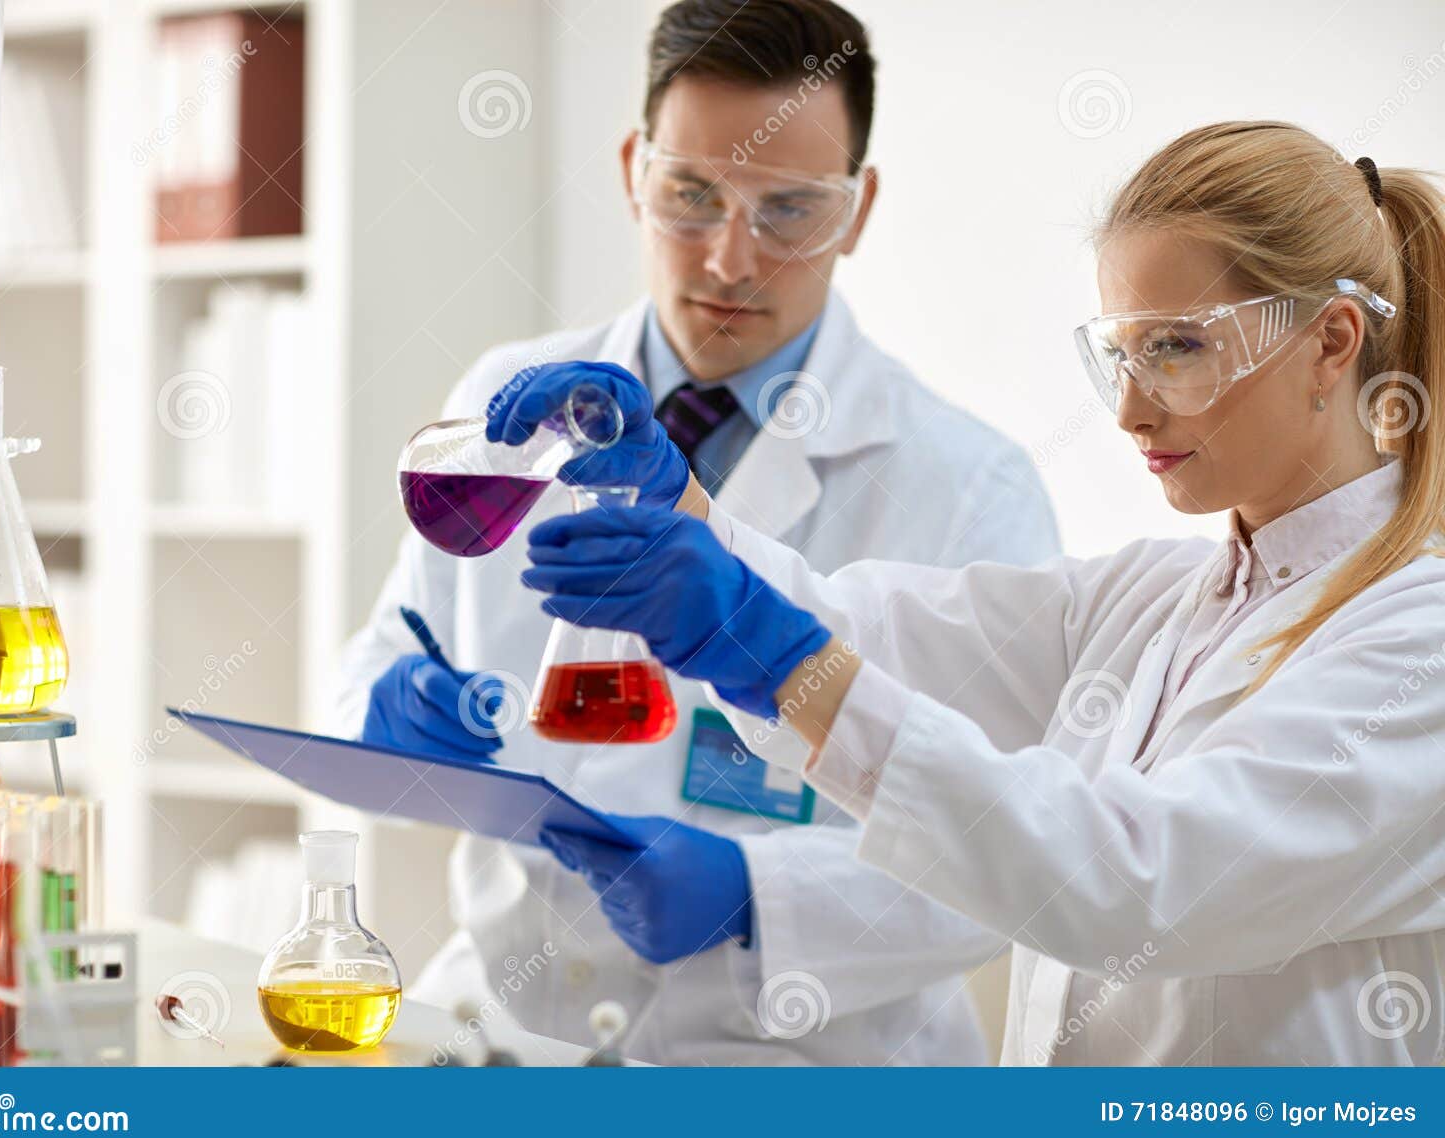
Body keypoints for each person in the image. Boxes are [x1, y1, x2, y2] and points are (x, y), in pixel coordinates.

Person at [511, 121, 1445, 1065]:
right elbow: (876, 633)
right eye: (1123, 353)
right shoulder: (1158, 598)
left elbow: (1139, 882)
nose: (1129, 409)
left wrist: (781, 655)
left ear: (1332, 341)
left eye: (1177, 348)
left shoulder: (1420, 643)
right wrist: (683, 505)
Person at [334, 0, 1060, 1064]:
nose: (730, 260)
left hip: (807, 1068)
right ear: (634, 168)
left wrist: (755, 896)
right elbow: (381, 662)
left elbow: (1018, 852)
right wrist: (387, 717)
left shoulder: (967, 487)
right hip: (507, 1028)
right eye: (691, 195)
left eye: (790, 211)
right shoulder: (506, 401)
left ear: (857, 212)